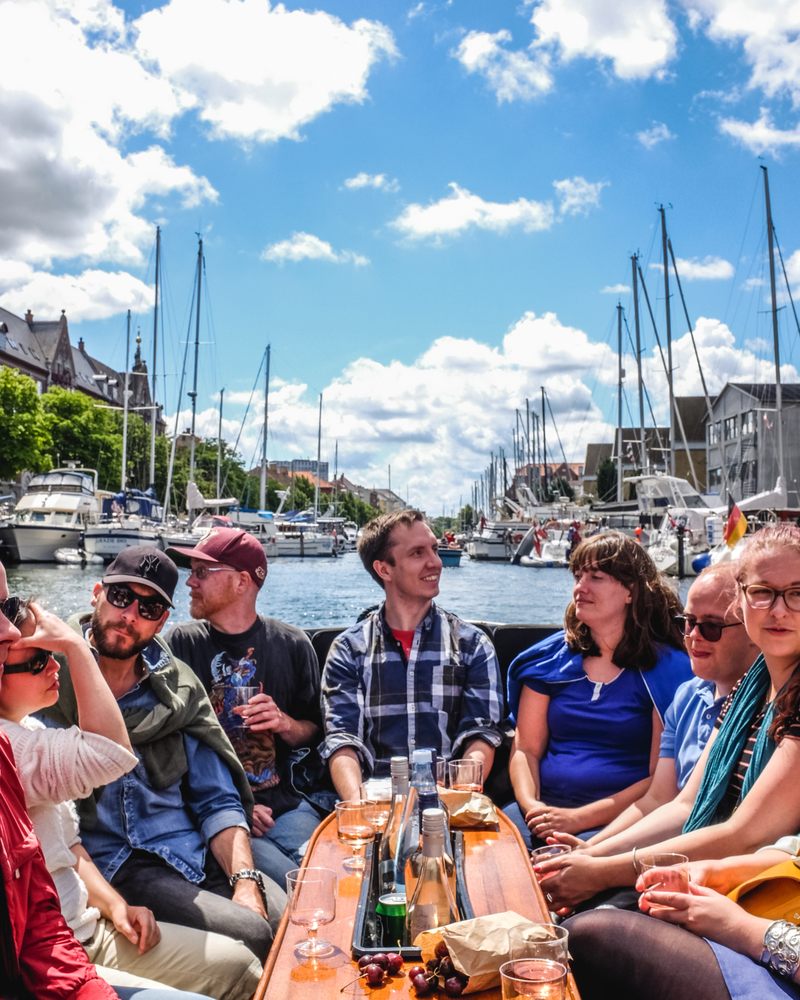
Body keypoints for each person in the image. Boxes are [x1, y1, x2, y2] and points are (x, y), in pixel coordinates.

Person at [2, 598, 261, 999]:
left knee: (243, 964)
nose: (56, 667)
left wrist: (114, 905)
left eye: (55, 656)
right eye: (39, 662)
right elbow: (109, 751)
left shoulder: (33, 726)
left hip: (90, 923)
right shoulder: (14, 750)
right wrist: (74, 644)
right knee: (251, 942)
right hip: (57, 949)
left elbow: (67, 848)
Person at [534, 523, 800, 913]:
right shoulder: (749, 691)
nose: (778, 610)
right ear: (741, 603)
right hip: (714, 878)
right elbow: (685, 805)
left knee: (587, 931)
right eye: (762, 593)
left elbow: (743, 835)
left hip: (763, 900)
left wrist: (600, 871)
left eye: (796, 594)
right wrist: (591, 855)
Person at [41, 546, 284, 964]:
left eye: (149, 606)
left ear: (163, 621)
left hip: (192, 847)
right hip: (120, 863)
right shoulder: (48, 682)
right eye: (121, 597)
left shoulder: (179, 690)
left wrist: (244, 881)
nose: (130, 614)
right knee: (252, 933)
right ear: (96, 593)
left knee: (286, 918)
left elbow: (217, 800)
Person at [505, 531, 692, 848]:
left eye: (596, 577)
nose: (580, 587)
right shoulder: (548, 664)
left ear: (631, 590)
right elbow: (526, 750)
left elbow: (658, 780)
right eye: (578, 576)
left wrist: (578, 819)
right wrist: (532, 807)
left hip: (622, 822)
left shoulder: (668, 673)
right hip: (538, 812)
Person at [556, 562, 759, 853]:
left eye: (712, 627)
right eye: (687, 622)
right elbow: (658, 800)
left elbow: (729, 828)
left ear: (754, 630)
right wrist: (588, 850)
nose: (694, 636)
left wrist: (600, 864)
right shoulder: (687, 698)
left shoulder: (766, 708)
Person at [165, 527, 324, 885]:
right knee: (298, 884)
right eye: (191, 571)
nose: (190, 582)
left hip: (285, 803)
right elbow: (168, 746)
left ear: (241, 582)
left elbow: (313, 732)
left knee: (331, 870)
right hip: (216, 810)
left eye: (202, 572)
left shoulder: (292, 644)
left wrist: (284, 723)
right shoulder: (179, 645)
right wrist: (231, 807)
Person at [320, 509, 504, 802]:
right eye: (418, 553)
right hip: (374, 800)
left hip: (450, 797)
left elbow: (480, 736)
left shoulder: (472, 645)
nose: (435, 562)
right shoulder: (349, 650)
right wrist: (358, 808)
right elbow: (343, 741)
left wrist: (456, 804)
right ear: (385, 570)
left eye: (433, 548)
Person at [564, 844, 800, 1000]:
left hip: (775, 961)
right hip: (764, 912)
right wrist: (723, 871)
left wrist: (741, 928)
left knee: (593, 935)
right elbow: (794, 851)